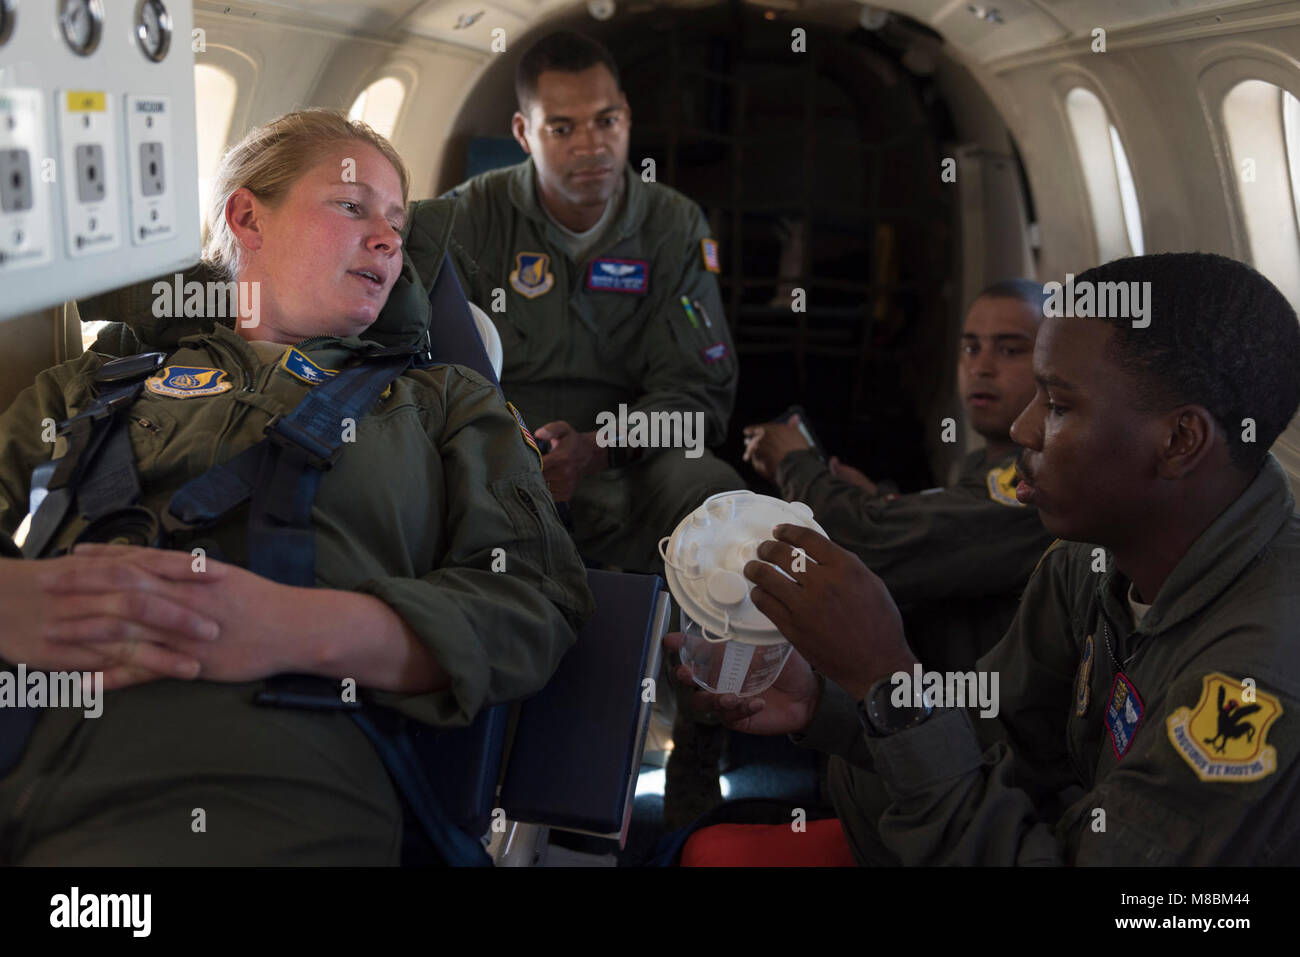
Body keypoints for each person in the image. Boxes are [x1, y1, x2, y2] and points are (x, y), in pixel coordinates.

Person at [0, 109, 593, 865]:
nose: (386, 238)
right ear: (247, 215)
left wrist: (290, 625)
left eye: (396, 225)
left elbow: (539, 597)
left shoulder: (444, 403)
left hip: (262, 767)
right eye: (352, 206)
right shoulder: (92, 385)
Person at [677, 252, 1300, 864]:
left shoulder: (1254, 681)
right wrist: (827, 701)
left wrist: (886, 676)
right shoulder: (1087, 561)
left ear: (1179, 440)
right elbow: (995, 730)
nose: (1025, 430)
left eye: (1057, 406)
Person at [428, 30, 744, 575]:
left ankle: (692, 655)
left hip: (628, 459)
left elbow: (699, 398)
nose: (592, 146)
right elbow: (422, 359)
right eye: (562, 128)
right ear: (525, 133)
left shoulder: (673, 225)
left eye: (606, 120)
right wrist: (505, 447)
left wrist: (600, 446)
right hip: (494, 454)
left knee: (715, 497)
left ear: (626, 115)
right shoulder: (470, 217)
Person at [740, 280, 1054, 673]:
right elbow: (939, 532)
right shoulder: (980, 464)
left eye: (1010, 350)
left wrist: (794, 464)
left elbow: (870, 547)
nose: (981, 367)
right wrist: (880, 498)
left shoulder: (1036, 484)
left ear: (1054, 364)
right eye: (970, 347)